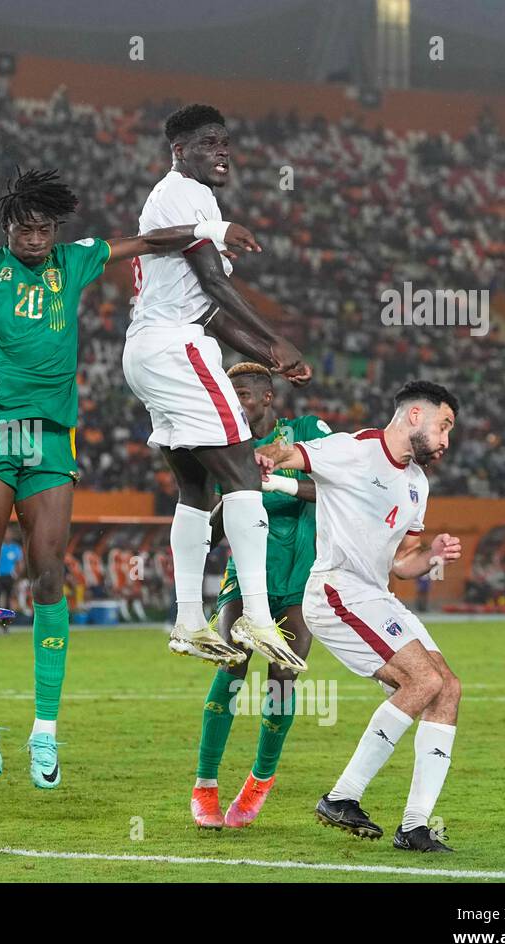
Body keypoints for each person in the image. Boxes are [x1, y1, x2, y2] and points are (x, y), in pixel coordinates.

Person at [0, 167, 239, 788]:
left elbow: (145, 242)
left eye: (43, 230)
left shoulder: (75, 259)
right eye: (24, 229)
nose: (34, 239)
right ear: (6, 227)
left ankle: (44, 732)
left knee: (50, 573)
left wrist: (211, 227)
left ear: (54, 229)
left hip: (52, 438)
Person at [121, 103, 311, 670]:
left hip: (157, 347)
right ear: (180, 149)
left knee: (196, 488)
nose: (223, 151)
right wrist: (276, 335)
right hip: (174, 346)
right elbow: (211, 285)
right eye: (210, 142)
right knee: (243, 469)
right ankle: (256, 614)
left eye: (226, 142)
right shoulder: (180, 193)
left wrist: (271, 356)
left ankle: (185, 620)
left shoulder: (198, 199)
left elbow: (213, 312)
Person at [256, 380, 465, 852]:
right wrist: (268, 455)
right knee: (423, 683)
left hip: (377, 593)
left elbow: (401, 564)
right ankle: (341, 796)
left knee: (447, 687)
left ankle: (415, 826)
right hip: (336, 589)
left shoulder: (417, 484)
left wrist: (431, 556)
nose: (447, 440)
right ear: (416, 415)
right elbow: (287, 453)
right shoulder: (351, 450)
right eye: (444, 425)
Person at [191, 363, 330, 830]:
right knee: (231, 661)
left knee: (282, 675)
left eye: (245, 395)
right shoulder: (226, 447)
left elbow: (335, 489)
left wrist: (280, 481)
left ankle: (259, 782)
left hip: (299, 578)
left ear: (267, 398)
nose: (237, 403)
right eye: (232, 396)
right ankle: (205, 784)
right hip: (245, 575)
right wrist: (220, 506)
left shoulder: (308, 432)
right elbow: (215, 516)